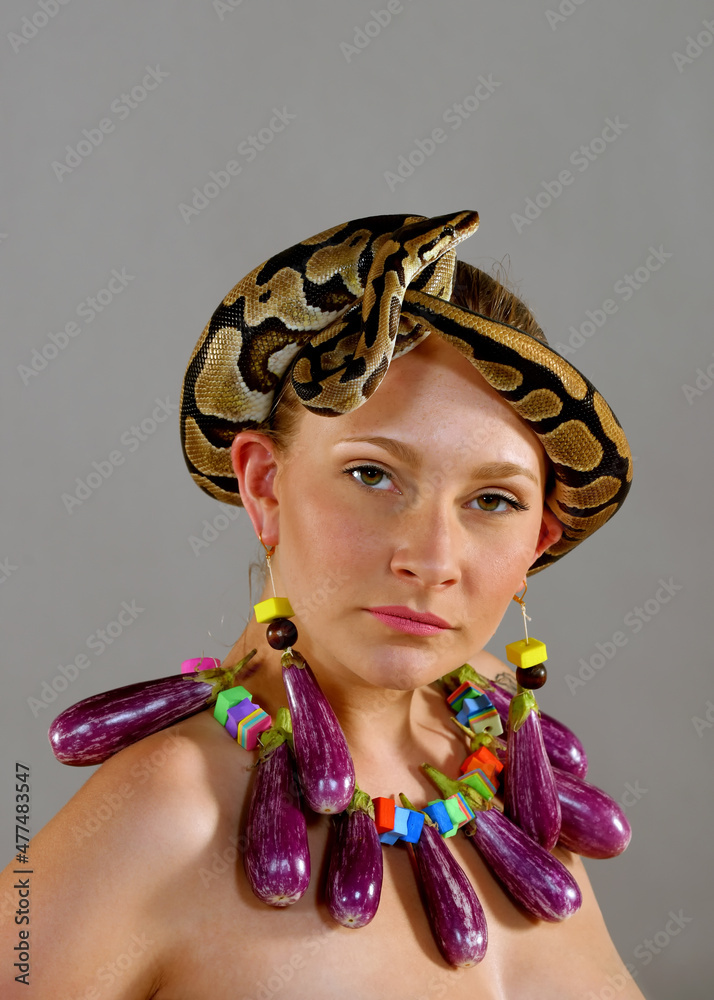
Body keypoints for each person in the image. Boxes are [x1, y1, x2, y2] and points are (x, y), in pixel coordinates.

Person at [0, 223, 646, 999]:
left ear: (538, 542)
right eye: (373, 475)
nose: (433, 559)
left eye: (493, 499)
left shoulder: (500, 744)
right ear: (264, 485)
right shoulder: (169, 811)